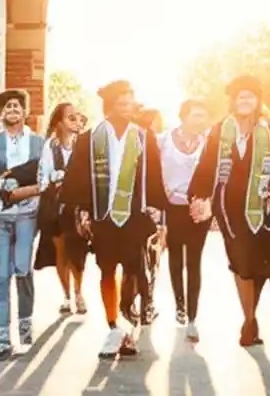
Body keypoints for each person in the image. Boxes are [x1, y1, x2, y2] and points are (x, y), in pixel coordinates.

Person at [60, 80, 166, 359]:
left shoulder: (144, 137)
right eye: (121, 101)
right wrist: (83, 211)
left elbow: (154, 176)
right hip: (103, 216)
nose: (127, 105)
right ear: (110, 105)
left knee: (135, 270)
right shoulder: (91, 137)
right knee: (107, 270)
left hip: (134, 215)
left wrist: (158, 210)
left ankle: (131, 324)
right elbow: (79, 178)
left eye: (130, 101)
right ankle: (112, 328)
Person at [188, 75, 270, 348]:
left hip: (261, 206)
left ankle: (250, 315)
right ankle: (249, 321)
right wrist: (199, 195)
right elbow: (206, 164)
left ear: (257, 100)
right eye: (240, 96)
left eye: (250, 96)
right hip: (228, 207)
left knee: (260, 266)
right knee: (242, 262)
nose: (245, 101)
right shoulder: (220, 130)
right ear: (233, 101)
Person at [0, 89, 45, 361]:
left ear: (25, 112)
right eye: (7, 106)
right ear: (0, 113)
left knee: (23, 270)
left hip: (27, 216)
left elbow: (48, 182)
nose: (12, 108)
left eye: (17, 105)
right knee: (0, 278)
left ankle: (25, 327)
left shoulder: (40, 144)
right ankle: (3, 340)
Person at [159, 98, 211, 341]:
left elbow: (213, 176)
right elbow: (153, 172)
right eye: (196, 115)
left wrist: (207, 202)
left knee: (194, 261)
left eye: (203, 115)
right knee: (176, 257)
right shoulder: (164, 140)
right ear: (183, 116)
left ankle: (193, 317)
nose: (200, 120)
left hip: (197, 210)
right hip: (172, 208)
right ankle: (179, 303)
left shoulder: (208, 144)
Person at [33, 102, 89, 316]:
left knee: (78, 251)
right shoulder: (51, 146)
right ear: (60, 122)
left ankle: (79, 292)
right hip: (55, 204)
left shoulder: (82, 144)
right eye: (70, 118)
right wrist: (54, 183)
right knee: (61, 250)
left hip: (76, 204)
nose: (76, 122)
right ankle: (66, 295)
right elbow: (44, 177)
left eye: (78, 118)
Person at [134, 107, 166, 325]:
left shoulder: (137, 136)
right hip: (146, 208)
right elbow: (156, 176)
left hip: (138, 207)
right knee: (149, 259)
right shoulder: (148, 138)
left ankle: (142, 304)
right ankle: (147, 304)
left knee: (140, 261)